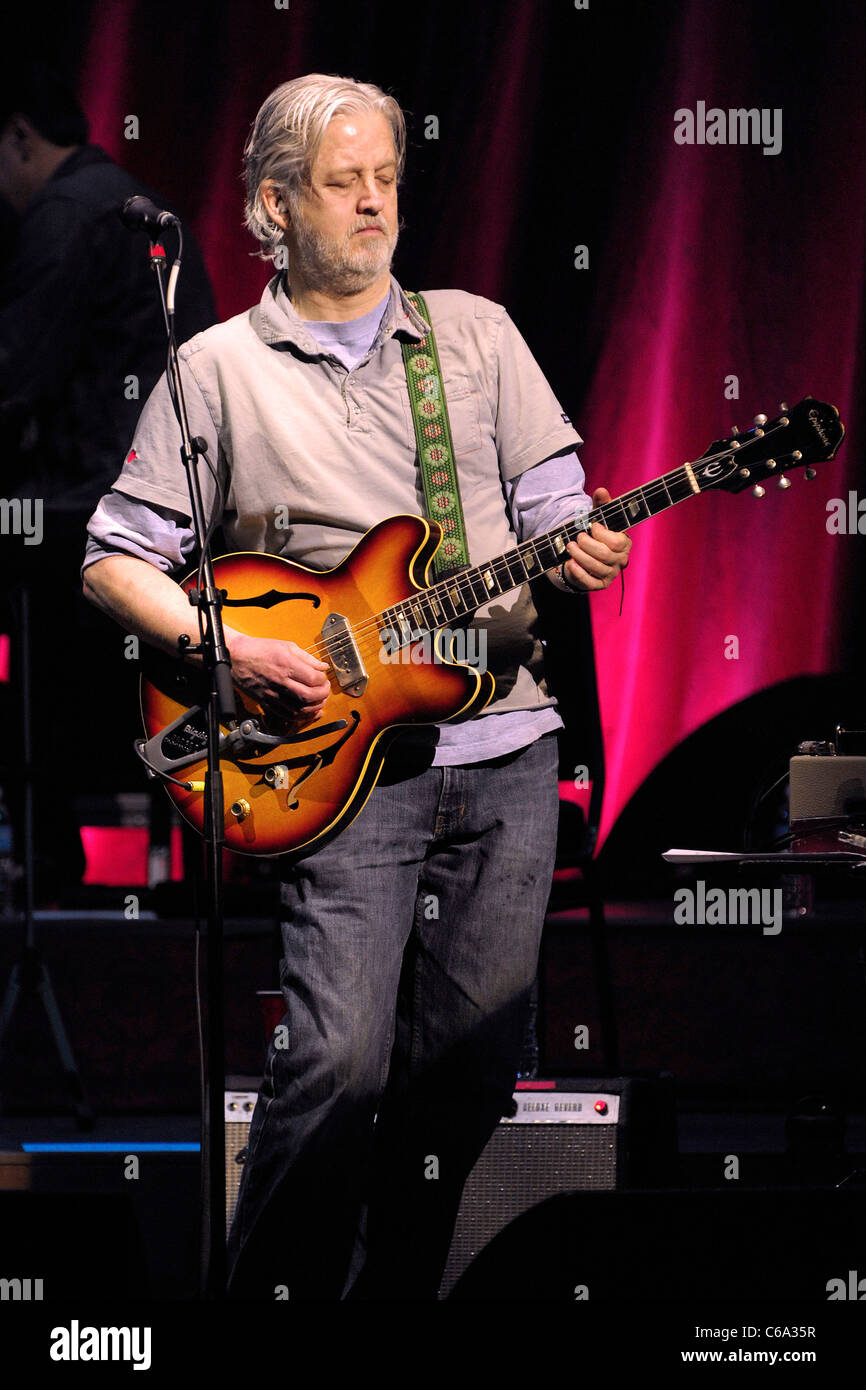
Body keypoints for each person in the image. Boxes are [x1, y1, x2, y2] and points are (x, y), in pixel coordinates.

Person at [82, 73, 631, 1299]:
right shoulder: (215, 369)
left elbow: (554, 504)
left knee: (475, 1066)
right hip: (335, 755)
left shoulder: (474, 335)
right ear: (273, 204)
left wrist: (587, 538)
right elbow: (115, 559)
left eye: (387, 177)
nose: (375, 202)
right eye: (344, 183)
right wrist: (221, 652)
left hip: (505, 744)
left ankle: (391, 1305)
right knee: (337, 1062)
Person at [0, 61, 216, 895]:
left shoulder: (63, 212)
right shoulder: (134, 201)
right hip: (168, 506)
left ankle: (43, 850)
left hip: (85, 508)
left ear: (19, 133)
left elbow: (14, 374)